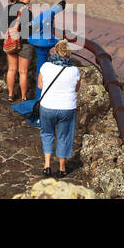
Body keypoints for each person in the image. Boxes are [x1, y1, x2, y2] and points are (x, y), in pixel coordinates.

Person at [37, 39, 83, 178]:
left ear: (56, 51)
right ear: (69, 54)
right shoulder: (74, 71)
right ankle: (62, 168)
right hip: (67, 108)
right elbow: (76, 89)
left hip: (48, 106)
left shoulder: (46, 67)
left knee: (47, 133)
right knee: (64, 136)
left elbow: (40, 85)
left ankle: (47, 165)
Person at [5, 0, 34, 102]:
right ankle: (23, 97)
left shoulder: (7, 9)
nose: (30, 0)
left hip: (11, 42)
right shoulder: (27, 12)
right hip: (25, 43)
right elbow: (29, 30)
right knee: (23, 72)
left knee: (11, 69)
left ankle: (10, 95)